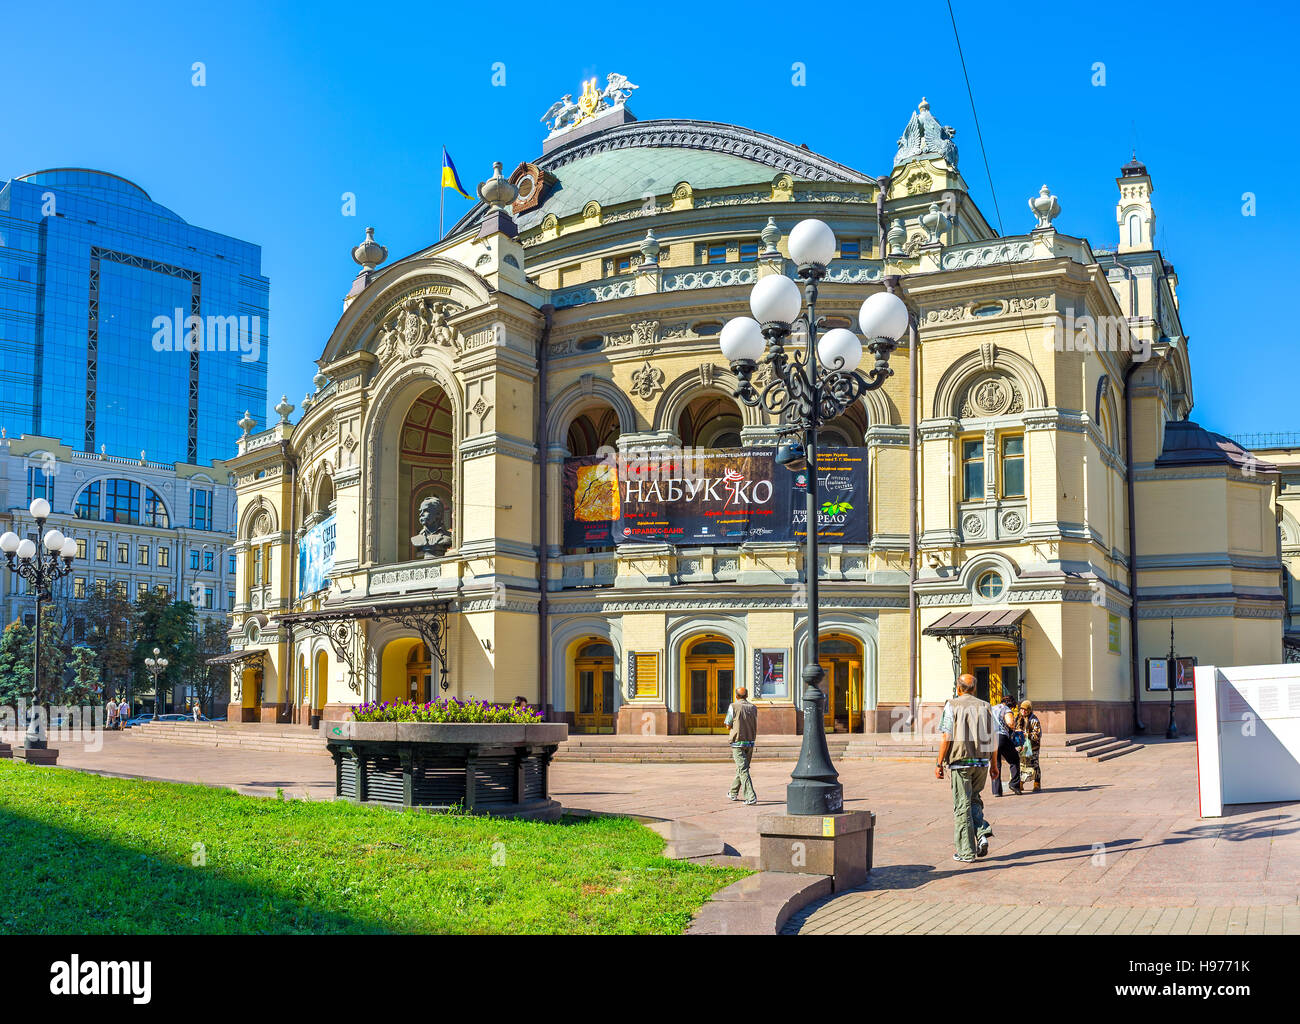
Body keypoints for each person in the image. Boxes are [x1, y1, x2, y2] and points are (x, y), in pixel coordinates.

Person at [935, 674, 999, 863]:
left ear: (958, 688)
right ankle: (981, 834)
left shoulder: (952, 705)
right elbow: (994, 738)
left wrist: (939, 763)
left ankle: (966, 852)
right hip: (981, 763)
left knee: (962, 805)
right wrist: (994, 764)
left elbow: (946, 736)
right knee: (974, 800)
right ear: (974, 689)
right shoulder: (986, 706)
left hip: (961, 762)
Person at [724, 686, 758, 805]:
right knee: (743, 769)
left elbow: (728, 724)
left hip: (738, 742)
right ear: (747, 696)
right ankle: (733, 792)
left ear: (736, 696)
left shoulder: (733, 706)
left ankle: (750, 796)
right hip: (750, 742)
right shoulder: (753, 708)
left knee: (743, 769)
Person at [990, 691, 1023, 796]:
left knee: (996, 764)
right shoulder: (1006, 709)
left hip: (990, 738)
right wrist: (1015, 728)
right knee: (1014, 760)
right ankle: (1014, 784)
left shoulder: (991, 708)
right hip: (1001, 737)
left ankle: (996, 791)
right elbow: (1010, 722)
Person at [1016, 699, 1043, 792]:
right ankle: (1020, 783)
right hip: (1022, 746)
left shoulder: (1034, 720)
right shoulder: (1018, 718)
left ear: (1029, 710)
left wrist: (1026, 735)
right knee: (1022, 765)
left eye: (1025, 709)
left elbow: (1037, 734)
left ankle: (1037, 783)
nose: (1023, 711)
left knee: (1034, 764)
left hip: (1033, 746)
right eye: (1021, 709)